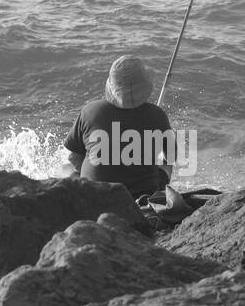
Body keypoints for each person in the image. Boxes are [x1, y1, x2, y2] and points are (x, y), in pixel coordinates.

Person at [64, 55, 173, 198]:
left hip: (94, 196)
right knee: (165, 165)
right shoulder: (158, 115)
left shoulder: (90, 111)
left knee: (65, 169)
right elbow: (171, 155)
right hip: (144, 196)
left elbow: (74, 157)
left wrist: (91, 171)